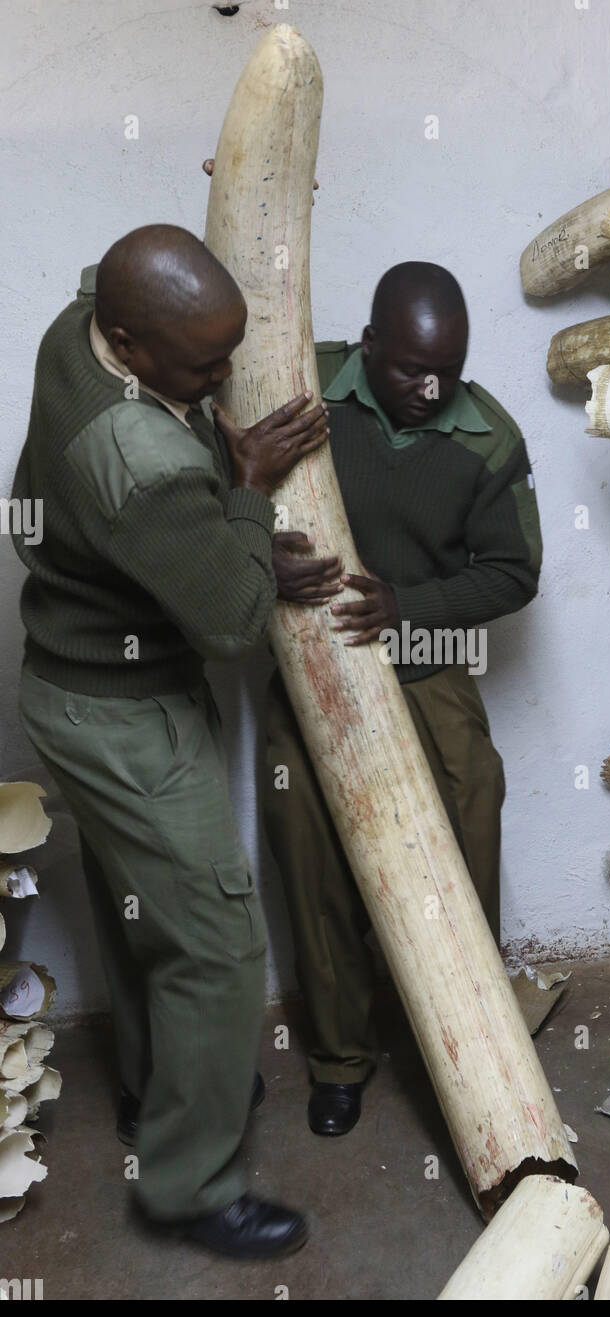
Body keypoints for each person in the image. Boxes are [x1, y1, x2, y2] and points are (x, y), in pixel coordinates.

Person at [11, 224, 329, 1258]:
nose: (226, 378)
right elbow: (233, 624)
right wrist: (239, 498)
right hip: (124, 717)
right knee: (217, 941)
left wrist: (211, 533)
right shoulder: (142, 462)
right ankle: (189, 1185)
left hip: (68, 681)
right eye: (205, 367)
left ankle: (159, 1088)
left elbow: (183, 553)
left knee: (138, 901)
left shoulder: (77, 324)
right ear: (129, 342)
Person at [262, 261, 542, 1137]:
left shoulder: (487, 437)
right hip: (314, 670)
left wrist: (408, 608)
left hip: (427, 661)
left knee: (472, 817)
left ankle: (462, 1040)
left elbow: (514, 573)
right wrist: (247, 545)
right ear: (370, 341)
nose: (429, 388)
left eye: (447, 372)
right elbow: (212, 468)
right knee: (309, 845)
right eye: (409, 368)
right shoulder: (299, 386)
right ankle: (341, 1060)